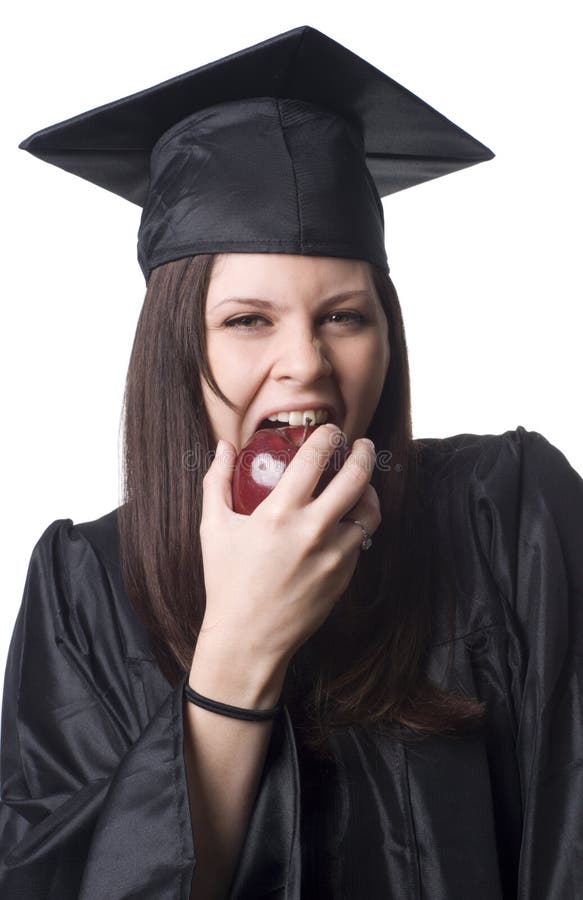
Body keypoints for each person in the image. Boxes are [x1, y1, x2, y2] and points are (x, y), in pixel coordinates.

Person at [1, 24, 582, 900]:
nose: (306, 362)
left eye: (344, 316)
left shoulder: (509, 511)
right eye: (247, 320)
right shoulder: (81, 586)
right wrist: (240, 646)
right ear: (175, 350)